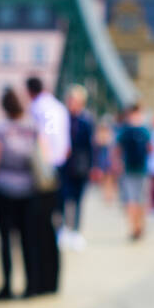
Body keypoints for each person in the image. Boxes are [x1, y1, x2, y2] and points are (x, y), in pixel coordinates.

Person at [0, 88, 44, 300]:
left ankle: (7, 286)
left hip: (4, 190)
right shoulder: (32, 127)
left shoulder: (0, 129)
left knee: (5, 240)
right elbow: (43, 157)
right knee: (28, 239)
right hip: (29, 189)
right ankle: (31, 286)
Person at [26, 75, 68, 293]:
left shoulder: (36, 109)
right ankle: (52, 281)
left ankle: (42, 281)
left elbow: (40, 140)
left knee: (40, 230)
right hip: (58, 170)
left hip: (42, 174)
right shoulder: (59, 108)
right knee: (52, 227)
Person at [61, 85, 94, 250]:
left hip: (80, 165)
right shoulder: (62, 118)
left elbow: (91, 146)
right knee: (64, 199)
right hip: (64, 166)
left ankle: (76, 232)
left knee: (79, 200)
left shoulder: (86, 120)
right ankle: (64, 229)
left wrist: (93, 167)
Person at [117, 104, 151, 239]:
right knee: (142, 199)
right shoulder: (144, 130)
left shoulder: (125, 130)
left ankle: (133, 227)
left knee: (131, 200)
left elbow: (117, 149)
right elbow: (151, 148)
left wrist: (117, 163)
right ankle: (140, 226)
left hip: (128, 169)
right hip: (143, 169)